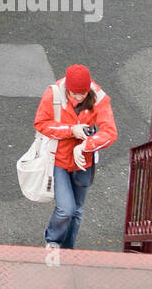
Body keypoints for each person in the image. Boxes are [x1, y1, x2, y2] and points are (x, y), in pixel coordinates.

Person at [34, 64, 117, 250]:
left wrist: (85, 146)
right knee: (66, 210)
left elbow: (110, 132)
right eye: (74, 94)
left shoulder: (98, 97)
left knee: (77, 211)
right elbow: (41, 124)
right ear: (66, 90)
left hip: (83, 161)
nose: (79, 98)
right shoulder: (53, 94)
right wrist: (72, 130)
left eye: (83, 94)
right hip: (59, 159)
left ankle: (67, 248)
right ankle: (53, 240)